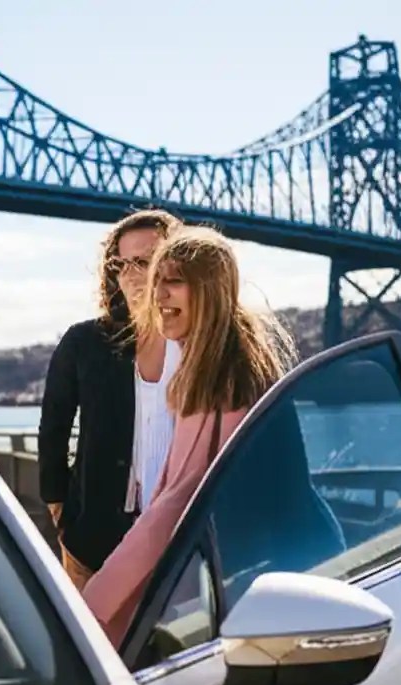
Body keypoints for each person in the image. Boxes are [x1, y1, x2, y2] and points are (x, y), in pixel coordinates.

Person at [81, 224, 296, 646]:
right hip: (259, 567)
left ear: (210, 290)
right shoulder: (214, 364)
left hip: (272, 573)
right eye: (156, 281)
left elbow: (183, 498)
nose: (158, 295)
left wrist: (94, 602)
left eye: (174, 282)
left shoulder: (229, 377)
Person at [38, 209, 183, 590]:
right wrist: (61, 511)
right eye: (122, 264)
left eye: (145, 262)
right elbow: (53, 428)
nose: (132, 275)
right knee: (90, 630)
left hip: (180, 541)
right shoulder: (83, 342)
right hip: (92, 542)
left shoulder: (197, 345)